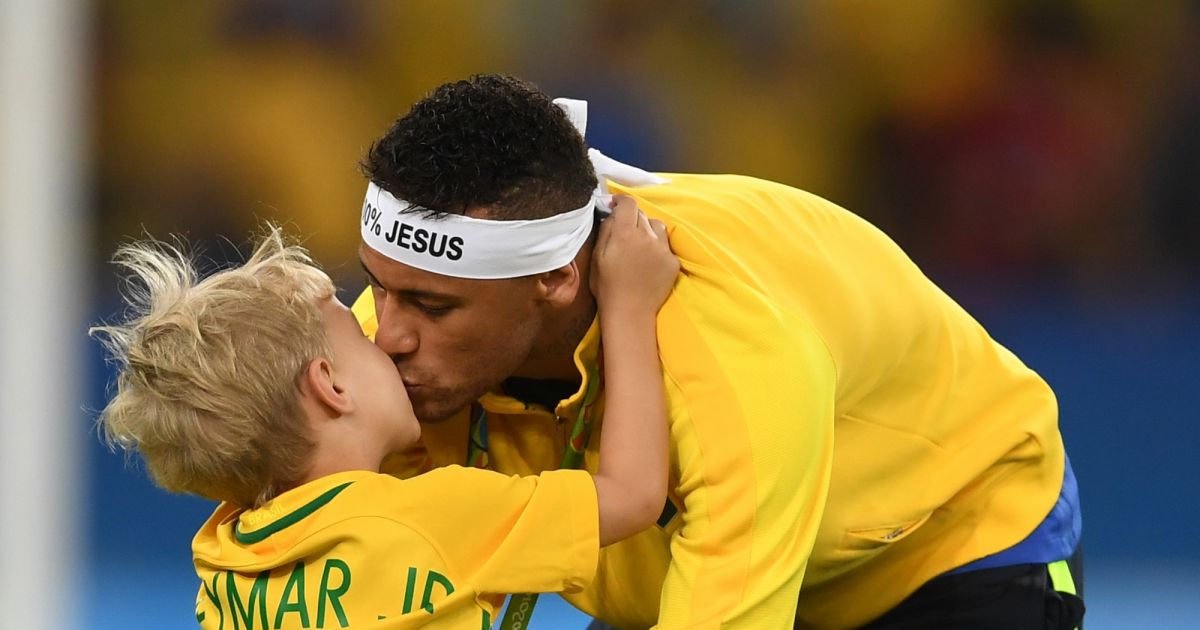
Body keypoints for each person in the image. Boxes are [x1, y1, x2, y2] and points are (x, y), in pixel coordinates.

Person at [351, 74, 1085, 629]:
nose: (388, 336)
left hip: (949, 553)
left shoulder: (730, 360)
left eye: (432, 307)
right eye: (378, 288)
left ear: (555, 277)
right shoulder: (388, 335)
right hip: (701, 565)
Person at [90, 211, 679, 629]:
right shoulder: (436, 517)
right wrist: (629, 305)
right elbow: (632, 494)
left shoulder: (221, 565)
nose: (391, 342)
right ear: (330, 385)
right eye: (364, 337)